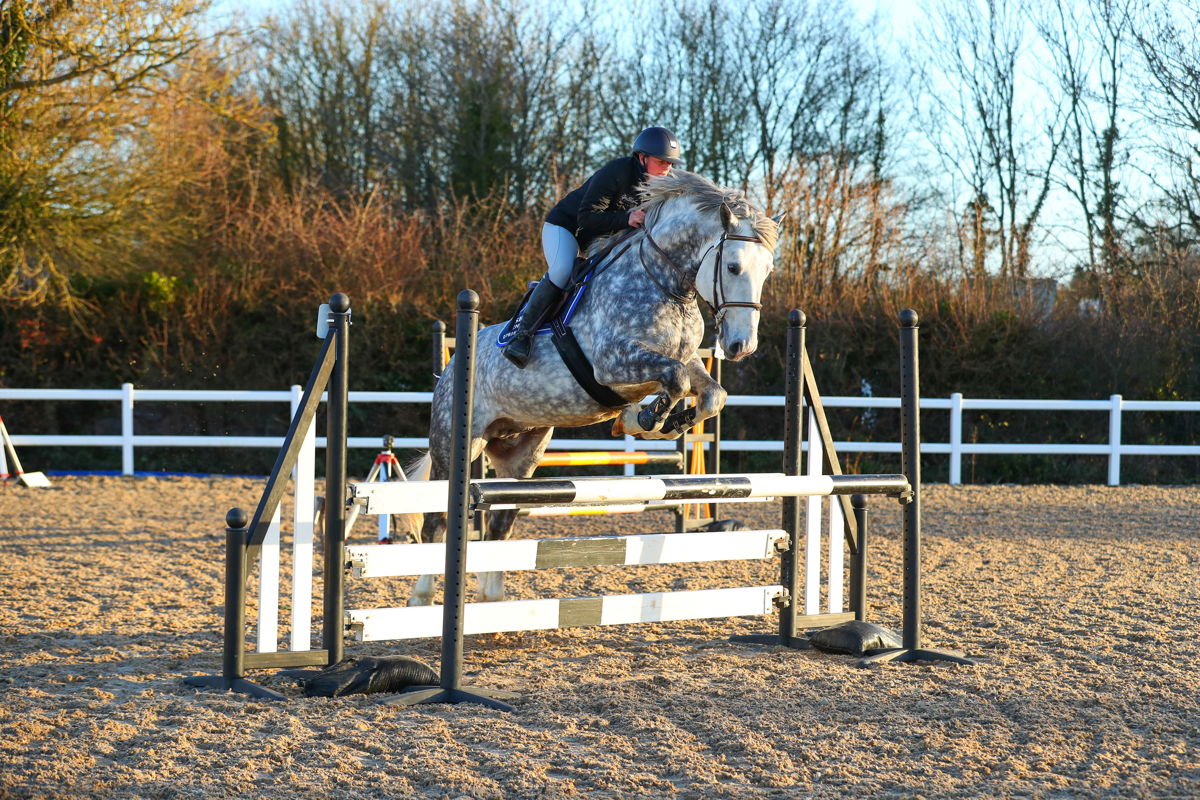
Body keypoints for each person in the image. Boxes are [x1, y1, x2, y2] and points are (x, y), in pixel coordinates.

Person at [502, 126, 683, 368]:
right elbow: (586, 218)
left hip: (602, 238)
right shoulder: (616, 172)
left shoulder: (663, 185)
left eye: (670, 163)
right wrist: (625, 219)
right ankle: (521, 335)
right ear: (642, 158)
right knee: (562, 270)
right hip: (567, 228)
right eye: (661, 162)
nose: (667, 169)